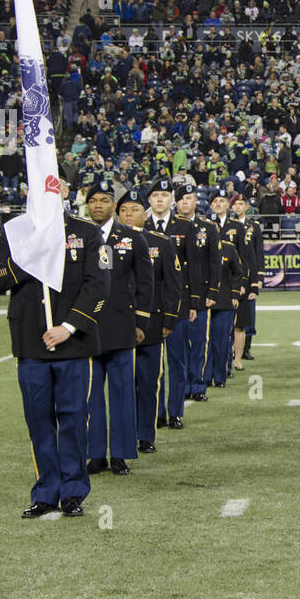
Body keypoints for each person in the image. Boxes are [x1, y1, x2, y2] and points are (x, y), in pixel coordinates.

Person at [0, 195, 109, 518]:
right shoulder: (15, 232)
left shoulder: (87, 232)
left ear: (65, 193)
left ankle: (72, 492)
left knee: (73, 420)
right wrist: (28, 256)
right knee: (38, 421)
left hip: (72, 343)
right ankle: (45, 491)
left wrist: (68, 327)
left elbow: (99, 286)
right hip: (30, 342)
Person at [84, 181, 152, 477]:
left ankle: (121, 454)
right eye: (93, 200)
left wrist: (141, 321)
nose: (98, 205)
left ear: (114, 205)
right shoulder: (77, 236)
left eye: (103, 200)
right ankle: (96, 454)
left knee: (123, 393)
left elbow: (145, 282)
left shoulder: (132, 237)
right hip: (86, 326)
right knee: (90, 396)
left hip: (122, 324)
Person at [119, 188, 181, 455]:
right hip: (117, 324)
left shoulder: (161, 242)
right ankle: (123, 435)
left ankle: (145, 434)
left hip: (152, 323)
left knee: (147, 382)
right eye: (123, 210)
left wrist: (169, 318)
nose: (129, 214)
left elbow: (172, 285)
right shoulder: (105, 243)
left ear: (144, 214)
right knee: (122, 385)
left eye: (134, 209)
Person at [148, 180, 188, 427]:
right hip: (148, 307)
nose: (160, 199)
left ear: (171, 199)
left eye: (164, 195)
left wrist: (192, 304)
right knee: (152, 365)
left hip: (176, 305)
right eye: (155, 195)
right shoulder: (138, 225)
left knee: (176, 361)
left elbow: (191, 267)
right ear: (149, 199)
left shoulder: (184, 225)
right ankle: (156, 413)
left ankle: (174, 412)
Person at [174, 187, 219, 405]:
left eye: (189, 198)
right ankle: (181, 385)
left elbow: (214, 261)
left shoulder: (208, 227)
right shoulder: (170, 228)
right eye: (181, 198)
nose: (185, 202)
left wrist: (213, 291)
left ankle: (198, 384)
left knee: (200, 341)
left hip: (201, 293)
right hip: (176, 295)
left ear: (195, 202)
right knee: (179, 344)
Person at [209, 195, 246, 388]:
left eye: (222, 201)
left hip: (225, 294)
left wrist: (237, 290)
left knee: (223, 338)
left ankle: (224, 371)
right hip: (206, 298)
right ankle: (205, 375)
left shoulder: (237, 228)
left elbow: (241, 261)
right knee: (204, 342)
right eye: (214, 201)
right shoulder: (204, 227)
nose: (218, 204)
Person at [228, 195, 263, 370]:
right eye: (235, 204)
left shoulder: (254, 227)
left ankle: (245, 349)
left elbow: (257, 255)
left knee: (246, 316)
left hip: (248, 276)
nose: (238, 207)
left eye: (241, 204)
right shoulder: (224, 226)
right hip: (228, 276)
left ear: (247, 206)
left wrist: (258, 280)